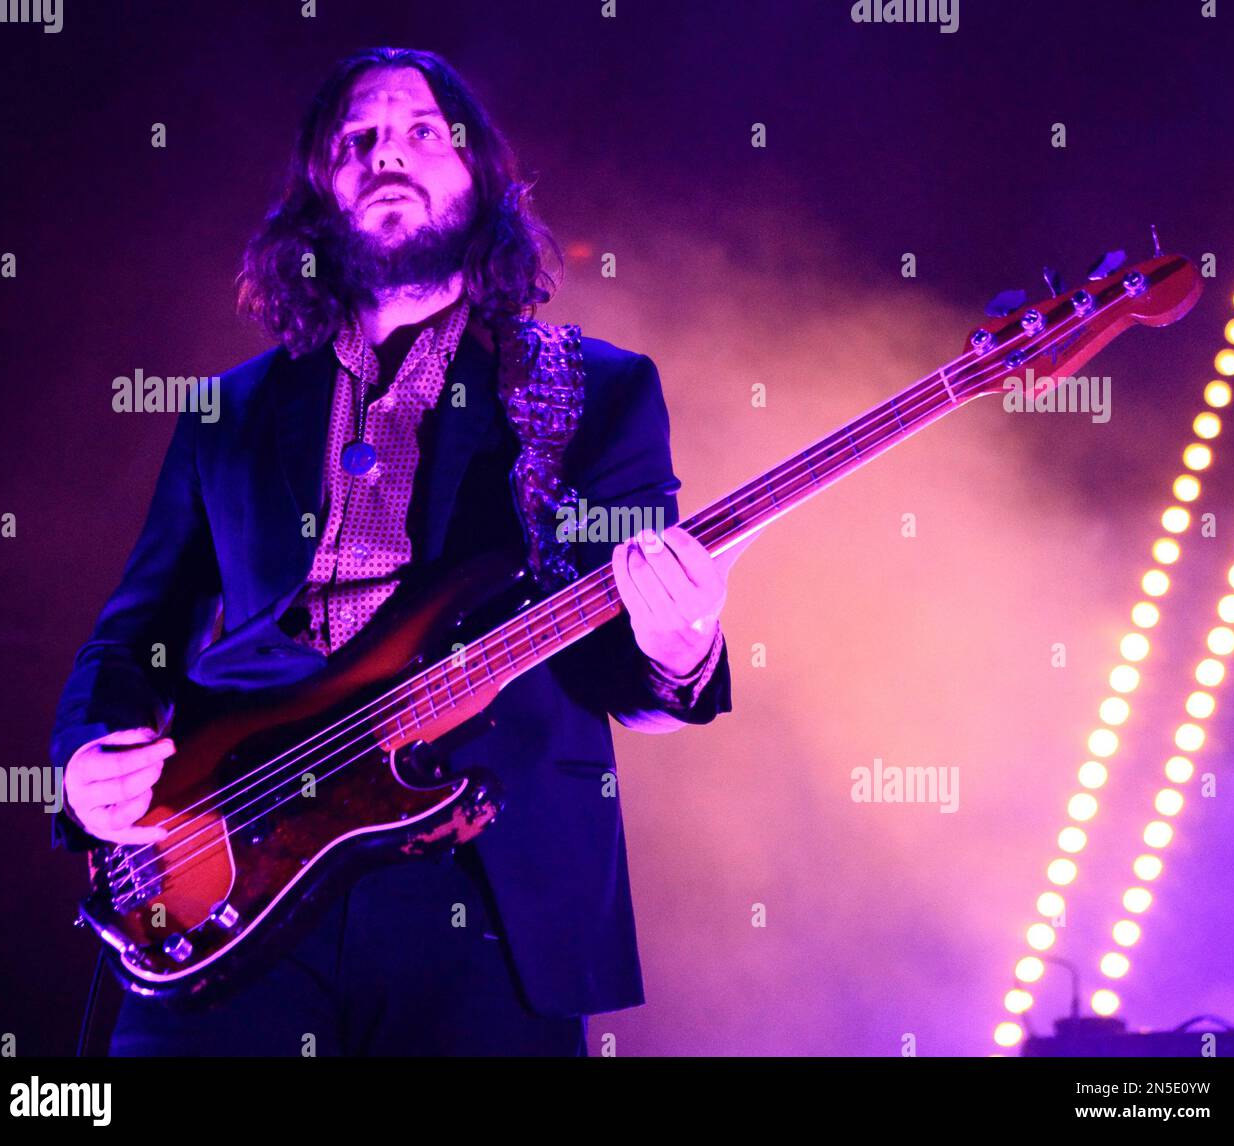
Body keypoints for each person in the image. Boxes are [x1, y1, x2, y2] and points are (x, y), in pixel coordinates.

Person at [51, 47, 746, 1057]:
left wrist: (680, 646)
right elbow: (133, 636)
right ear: (316, 195)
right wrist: (84, 765)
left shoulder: (595, 392)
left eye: (425, 133)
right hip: (232, 866)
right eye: (358, 142)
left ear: (482, 180)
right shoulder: (227, 414)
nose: (390, 156)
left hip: (478, 883)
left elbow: (619, 668)